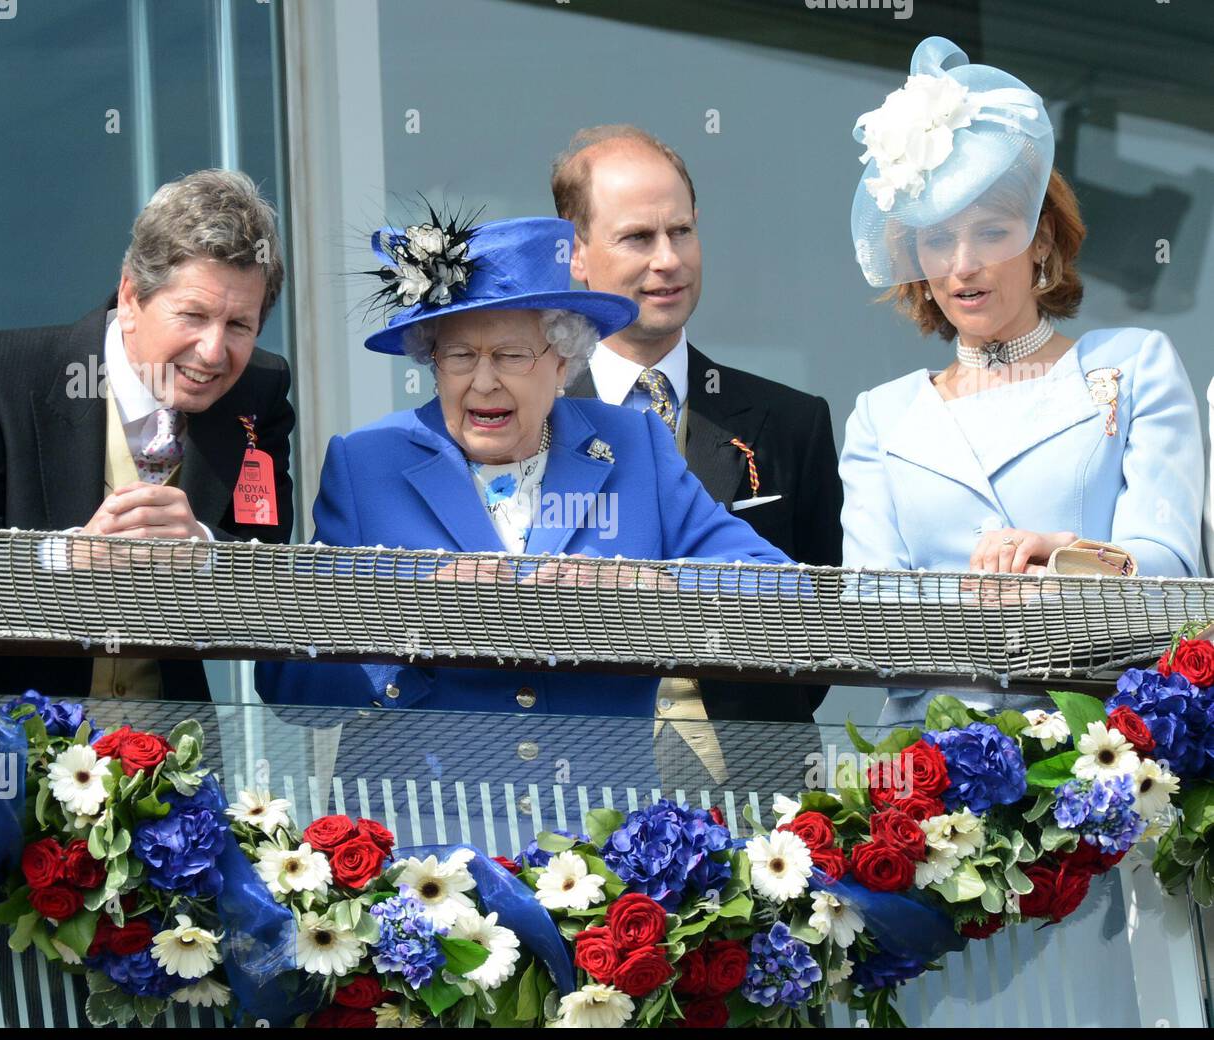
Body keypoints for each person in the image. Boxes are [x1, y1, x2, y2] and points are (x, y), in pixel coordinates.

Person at [256, 211, 792, 727]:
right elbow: (286, 677)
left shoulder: (633, 446)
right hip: (425, 813)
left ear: (564, 360)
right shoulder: (368, 463)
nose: (483, 381)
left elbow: (788, 596)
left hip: (599, 815)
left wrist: (652, 590)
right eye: (460, 355)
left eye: (512, 356)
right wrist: (411, 622)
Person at [840, 37, 1202, 728]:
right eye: (938, 240)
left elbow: (1174, 575)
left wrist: (1061, 558)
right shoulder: (880, 417)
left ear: (1041, 239)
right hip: (924, 773)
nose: (965, 265)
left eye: (993, 231)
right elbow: (872, 619)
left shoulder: (1133, 364)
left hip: (1102, 756)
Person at [0, 169, 296, 702]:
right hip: (4, 749)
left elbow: (273, 572)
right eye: (193, 315)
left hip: (174, 764)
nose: (213, 352)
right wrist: (63, 561)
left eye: (239, 326)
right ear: (131, 296)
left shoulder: (260, 390)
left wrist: (206, 554)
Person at [552, 124, 842, 763]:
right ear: (574, 252)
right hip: (574, 798)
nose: (668, 260)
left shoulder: (793, 421)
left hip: (763, 809)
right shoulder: (527, 421)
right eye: (637, 237)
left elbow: (825, 632)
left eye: (680, 231)